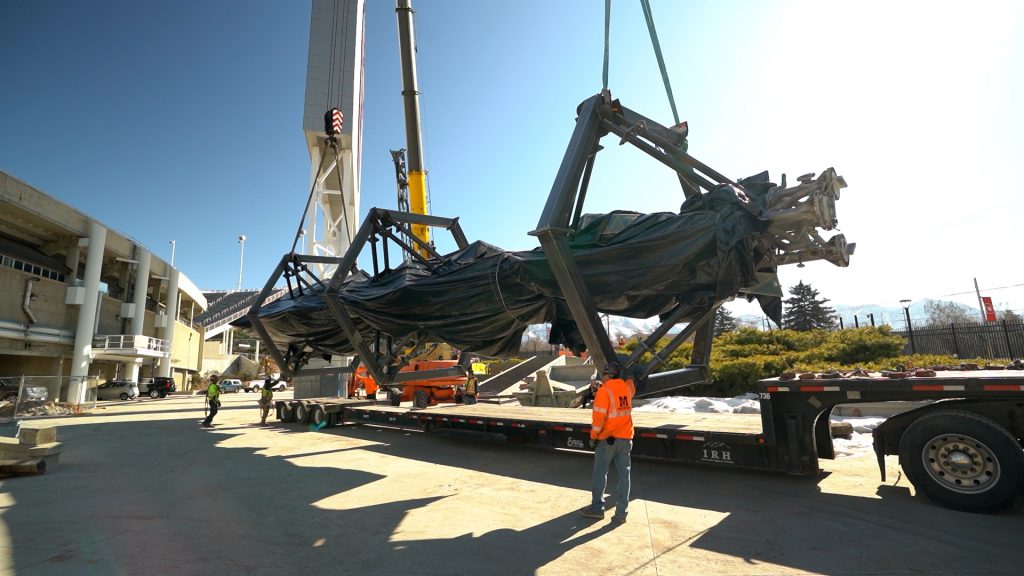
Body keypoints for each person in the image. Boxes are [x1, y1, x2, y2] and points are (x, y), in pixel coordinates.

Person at [579, 361, 635, 523]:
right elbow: (631, 383)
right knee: (625, 476)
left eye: (603, 374)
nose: (602, 378)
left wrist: (593, 438)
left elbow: (598, 419)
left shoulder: (605, 391)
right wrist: (629, 375)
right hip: (626, 439)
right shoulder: (627, 388)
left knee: (600, 474)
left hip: (607, 440)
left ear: (609, 375)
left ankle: (597, 509)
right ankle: (621, 514)